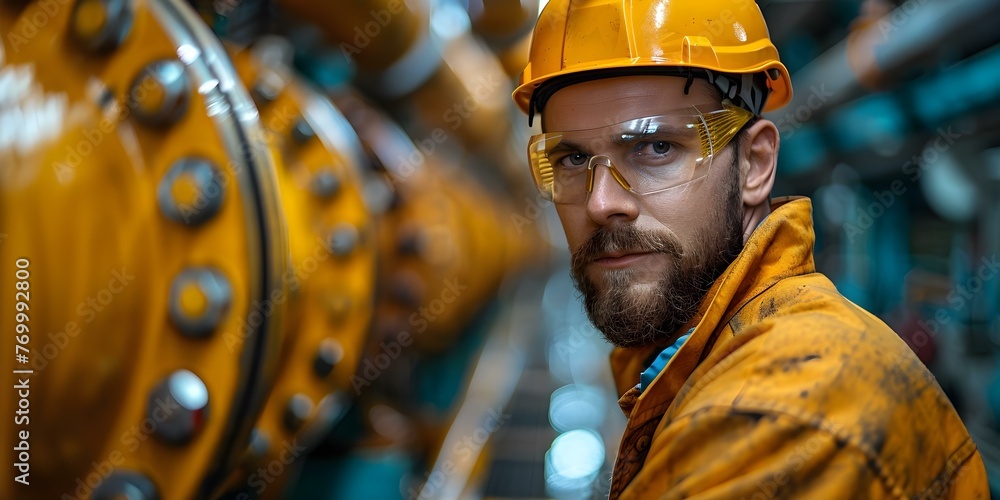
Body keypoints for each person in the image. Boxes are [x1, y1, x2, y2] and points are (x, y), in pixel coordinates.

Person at [511, 1, 989, 498]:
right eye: (572, 158)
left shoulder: (790, 410)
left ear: (755, 165)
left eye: (655, 148)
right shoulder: (679, 362)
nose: (600, 202)